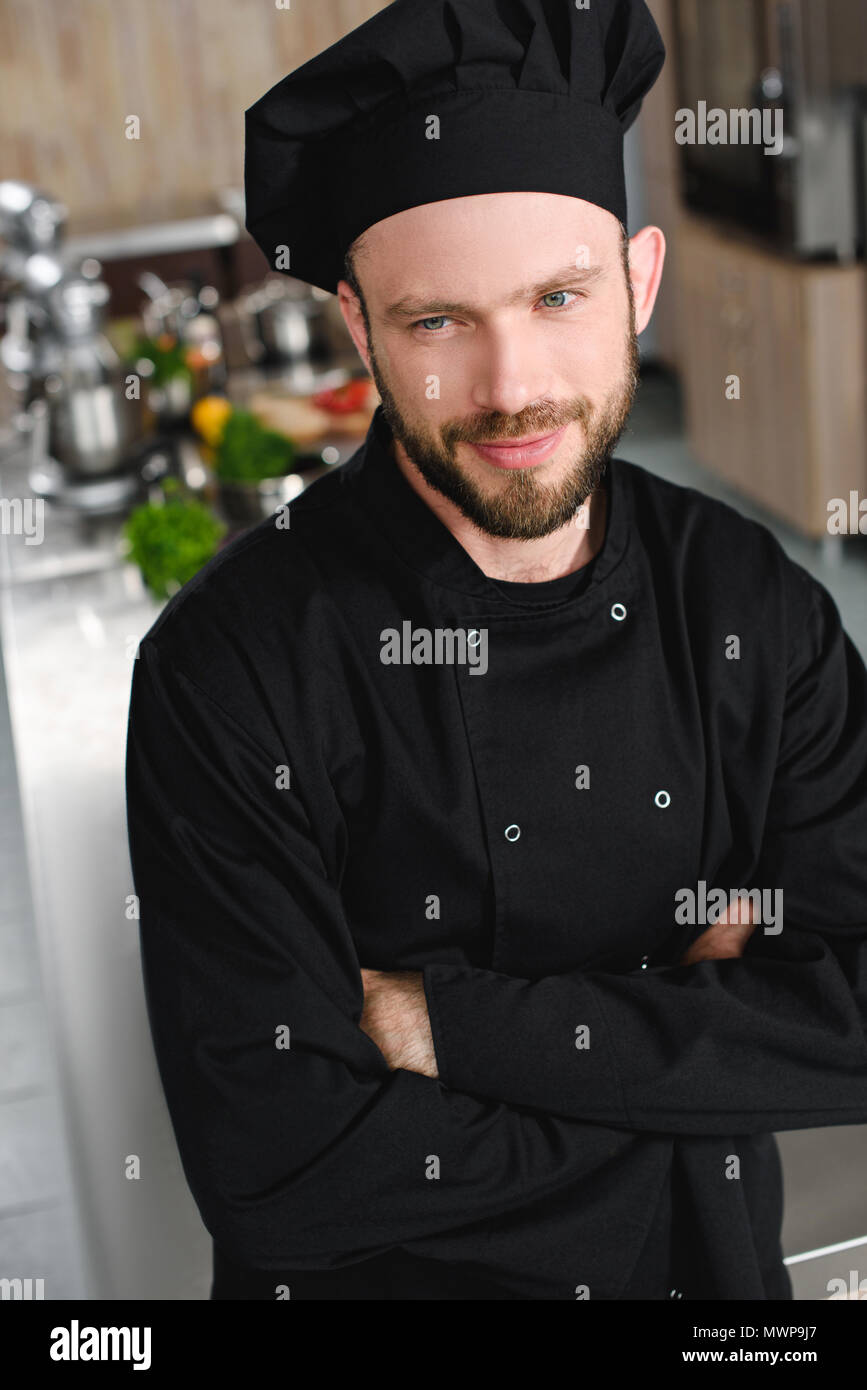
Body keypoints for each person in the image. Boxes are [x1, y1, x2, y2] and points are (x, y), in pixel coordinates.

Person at [125, 0, 867, 1300]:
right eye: (436, 323)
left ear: (641, 280)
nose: (511, 383)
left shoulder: (753, 605)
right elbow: (281, 1169)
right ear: (359, 330)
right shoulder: (229, 668)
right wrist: (699, 1049)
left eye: (558, 295)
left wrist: (441, 1023)